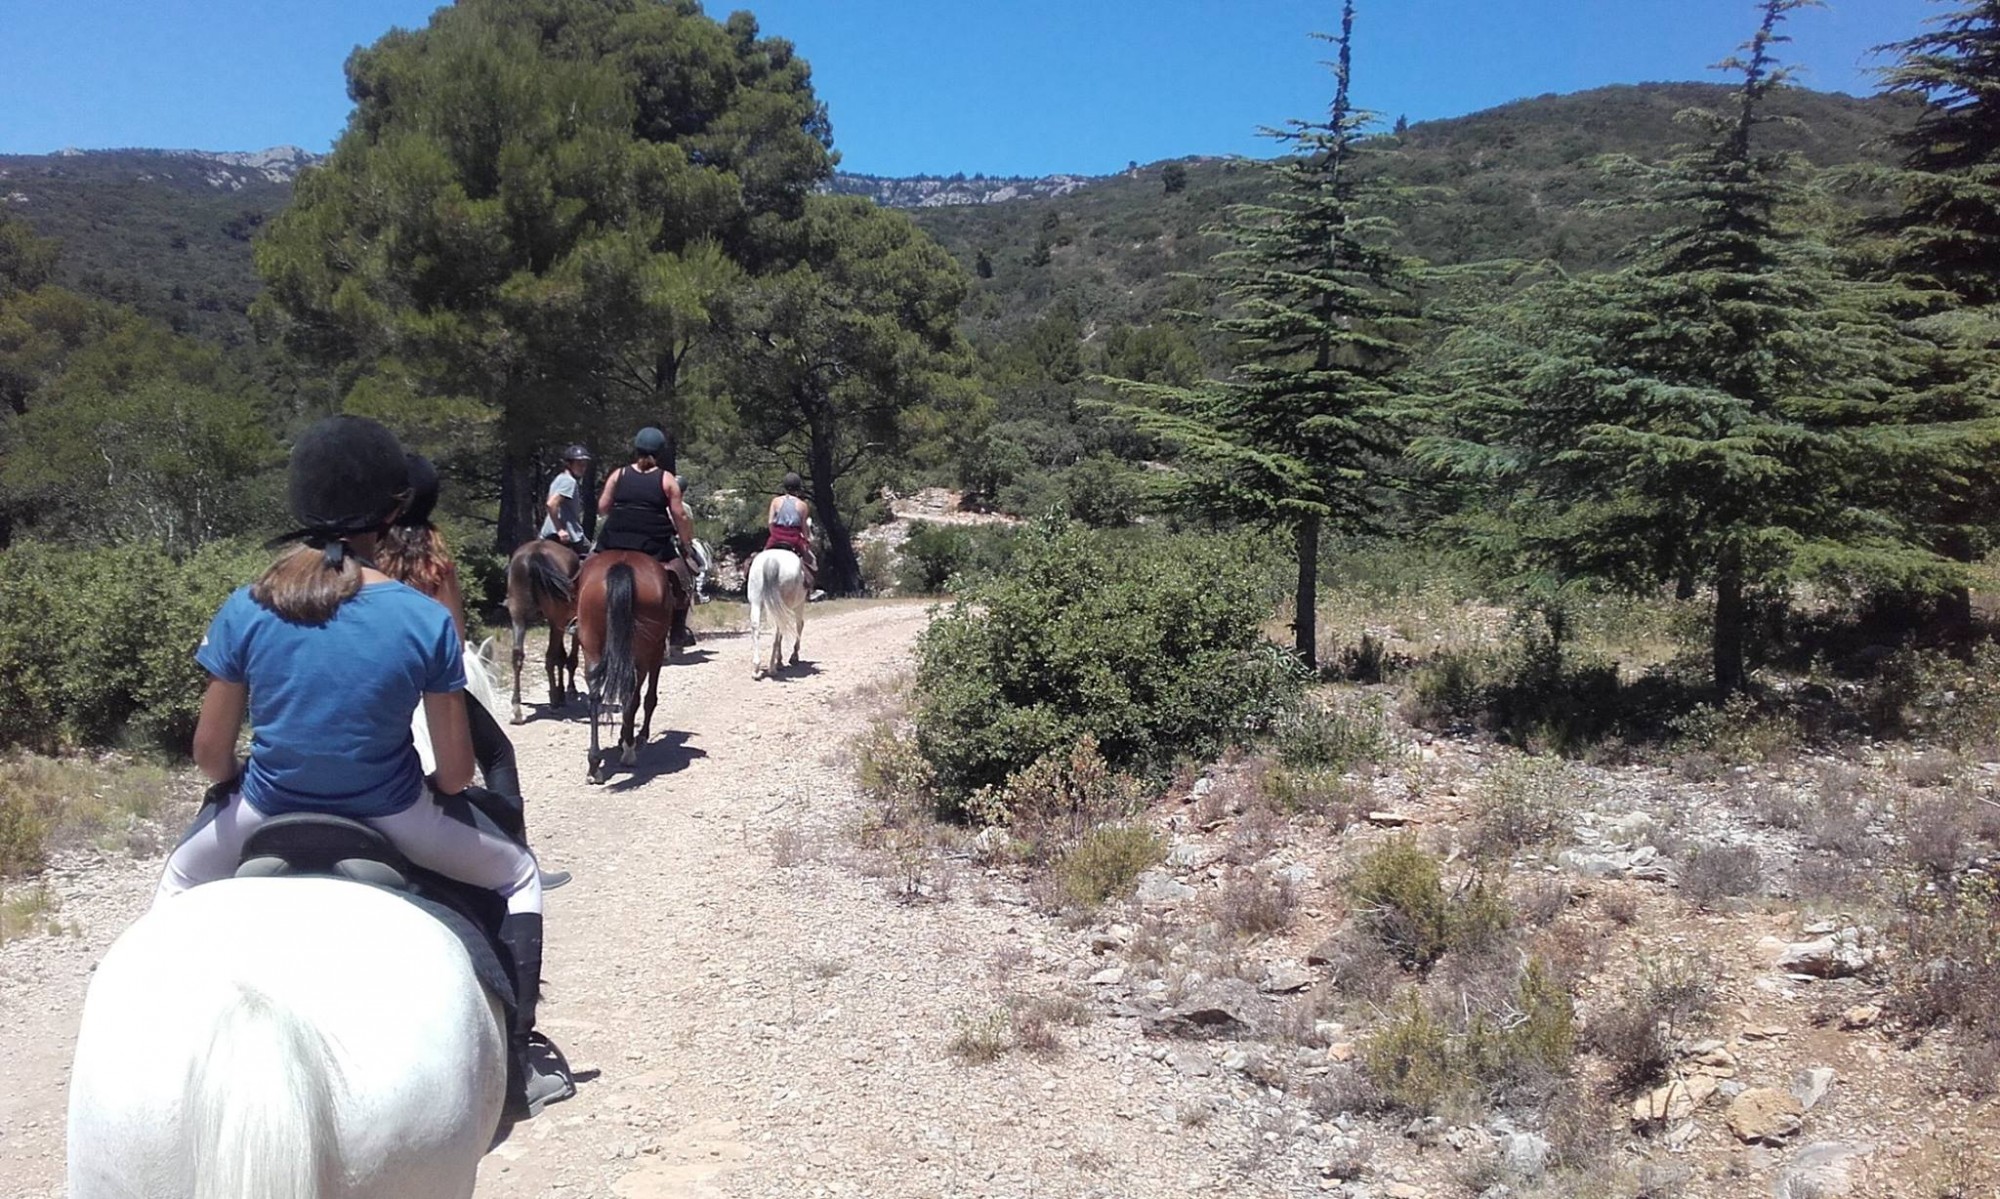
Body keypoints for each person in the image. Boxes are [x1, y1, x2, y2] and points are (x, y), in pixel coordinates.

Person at [153, 415, 574, 1119]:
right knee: (520, 874)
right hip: (392, 816)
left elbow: (208, 753)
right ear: (390, 510)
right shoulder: (420, 616)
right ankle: (518, 1059)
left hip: (264, 811)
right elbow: (453, 771)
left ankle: (156, 1038)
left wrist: (235, 784)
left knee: (174, 881)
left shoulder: (245, 605)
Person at [377, 452, 570, 890]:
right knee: (499, 753)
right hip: (425, 678)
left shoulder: (370, 548)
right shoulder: (433, 556)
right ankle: (518, 860)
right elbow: (453, 633)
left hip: (375, 680)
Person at [593, 427, 698, 647]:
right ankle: (678, 630)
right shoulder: (667, 479)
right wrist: (686, 542)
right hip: (653, 543)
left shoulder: (618, 474)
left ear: (636, 449)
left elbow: (602, 507)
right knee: (684, 578)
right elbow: (679, 515)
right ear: (660, 452)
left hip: (614, 538)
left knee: (586, 568)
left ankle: (576, 614)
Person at [763, 472, 819, 593]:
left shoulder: (775, 501)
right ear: (798, 488)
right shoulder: (803, 505)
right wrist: (808, 540)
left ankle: (748, 578)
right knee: (811, 562)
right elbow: (804, 528)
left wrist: (774, 535)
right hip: (794, 538)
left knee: (761, 557)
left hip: (776, 536)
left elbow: (770, 523)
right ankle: (811, 590)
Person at [540, 444, 592, 551]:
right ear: (568, 464)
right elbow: (551, 504)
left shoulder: (559, 478)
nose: (583, 468)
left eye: (584, 464)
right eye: (579, 464)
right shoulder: (569, 481)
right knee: (593, 558)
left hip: (547, 531)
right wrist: (560, 530)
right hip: (570, 533)